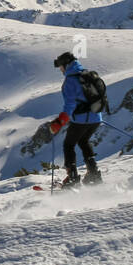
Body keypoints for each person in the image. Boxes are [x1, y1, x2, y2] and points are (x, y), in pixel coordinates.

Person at [49, 52, 103, 186]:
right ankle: (93, 173)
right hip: (96, 118)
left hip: (81, 119)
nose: (60, 70)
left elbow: (70, 105)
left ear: (66, 65)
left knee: (68, 145)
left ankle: (72, 178)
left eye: (61, 67)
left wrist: (59, 122)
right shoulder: (87, 75)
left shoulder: (70, 81)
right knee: (84, 141)